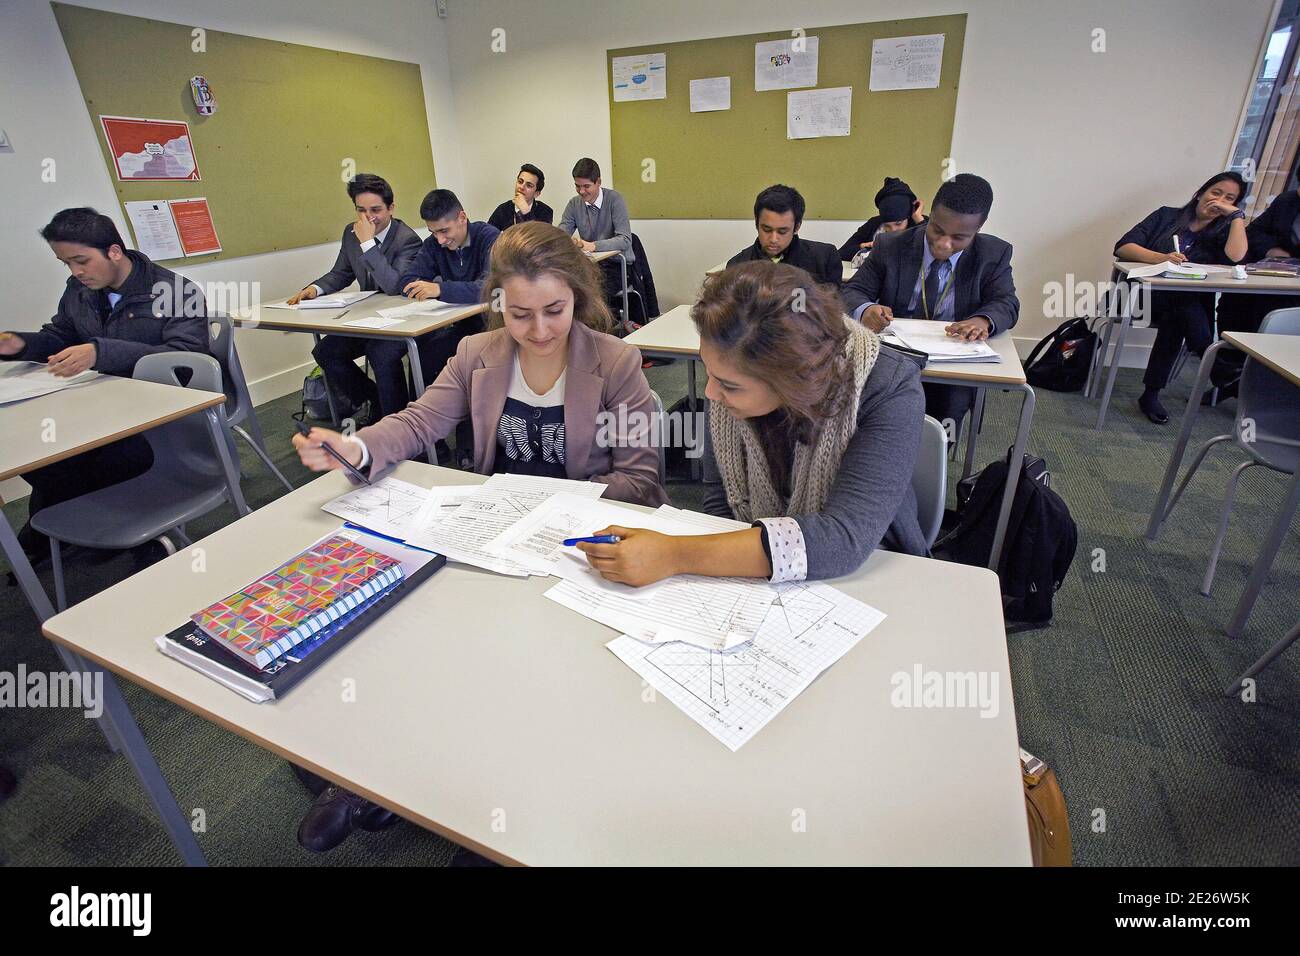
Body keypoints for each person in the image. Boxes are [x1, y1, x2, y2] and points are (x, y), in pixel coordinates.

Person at [290, 222, 667, 851]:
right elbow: (417, 423)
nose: (540, 330)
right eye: (520, 315)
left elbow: (642, 480)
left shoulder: (616, 361)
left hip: (578, 546)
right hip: (491, 537)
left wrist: (552, 510)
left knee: (524, 684)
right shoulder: (477, 355)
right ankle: (369, 777)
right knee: (412, 641)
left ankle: (469, 795)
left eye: (555, 310)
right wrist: (355, 446)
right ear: (497, 303)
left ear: (577, 296)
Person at [575, 261, 926, 588]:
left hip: (875, 574)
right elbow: (720, 503)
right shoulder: (732, 376)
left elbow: (843, 538)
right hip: (766, 574)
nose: (711, 393)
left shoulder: (888, 387)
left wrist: (675, 554)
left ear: (794, 381)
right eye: (708, 372)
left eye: (729, 385)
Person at [0, 207, 207, 563]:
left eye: (81, 261)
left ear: (114, 251)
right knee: (42, 457)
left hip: (159, 411)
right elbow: (61, 336)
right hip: (99, 401)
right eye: (66, 263)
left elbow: (186, 360)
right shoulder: (78, 291)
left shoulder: (174, 290)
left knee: (107, 455)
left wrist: (100, 352)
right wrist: (20, 344)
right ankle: (81, 520)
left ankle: (119, 529)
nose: (75, 272)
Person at [841, 173, 1018, 441]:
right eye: (937, 230)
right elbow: (852, 291)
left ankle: (935, 459)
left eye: (959, 237)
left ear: (977, 230)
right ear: (929, 215)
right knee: (865, 407)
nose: (943, 243)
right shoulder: (891, 245)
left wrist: (983, 319)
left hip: (955, 363)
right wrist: (865, 309)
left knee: (945, 413)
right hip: (896, 355)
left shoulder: (994, 253)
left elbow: (1007, 303)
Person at [1114, 171, 1248, 423]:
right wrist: (1161, 258)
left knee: (1178, 313)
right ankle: (1217, 367)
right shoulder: (1166, 216)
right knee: (1182, 305)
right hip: (1142, 299)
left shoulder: (1223, 232)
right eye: (1215, 192)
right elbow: (1123, 246)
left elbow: (1237, 257)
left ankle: (1151, 393)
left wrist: (1236, 217)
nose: (1218, 201)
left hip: (1183, 308)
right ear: (1201, 193)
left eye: (1230, 199)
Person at [291, 173, 422, 421]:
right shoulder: (351, 233)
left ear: (391, 208)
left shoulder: (407, 239)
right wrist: (315, 289)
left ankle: (398, 420)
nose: (368, 217)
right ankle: (374, 398)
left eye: (375, 210)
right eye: (360, 210)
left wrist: (368, 244)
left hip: (403, 322)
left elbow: (394, 285)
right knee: (325, 352)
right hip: (369, 320)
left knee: (379, 353)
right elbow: (342, 272)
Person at [1213, 178, 1300, 399]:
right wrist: (1273, 250)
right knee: (1234, 300)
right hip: (1277, 276)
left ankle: (1260, 386)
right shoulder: (1287, 201)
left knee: (1275, 313)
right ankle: (1231, 374)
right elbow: (1255, 233)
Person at [557, 158, 635, 317]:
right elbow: (562, 233)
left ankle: (597, 333)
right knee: (565, 289)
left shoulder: (615, 200)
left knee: (589, 294)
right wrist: (567, 241)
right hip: (591, 265)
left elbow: (625, 240)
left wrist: (593, 246)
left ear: (598, 182)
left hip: (617, 266)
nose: (581, 191)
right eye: (577, 186)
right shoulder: (574, 204)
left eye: (586, 186)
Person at [726, 184, 841, 288]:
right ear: (756, 223)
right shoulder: (737, 265)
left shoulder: (824, 259)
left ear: (797, 227)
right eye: (766, 230)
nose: (773, 239)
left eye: (782, 231)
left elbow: (832, 307)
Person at [838, 176, 927, 261]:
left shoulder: (920, 223)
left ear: (909, 215)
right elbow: (841, 253)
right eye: (887, 226)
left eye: (898, 223)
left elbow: (932, 250)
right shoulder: (874, 223)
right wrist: (867, 245)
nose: (893, 230)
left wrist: (919, 218)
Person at [487, 164, 554, 232]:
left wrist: (526, 211)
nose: (521, 187)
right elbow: (487, 235)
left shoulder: (545, 211)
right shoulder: (503, 209)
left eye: (529, 185)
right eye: (520, 182)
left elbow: (540, 240)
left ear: (536, 194)